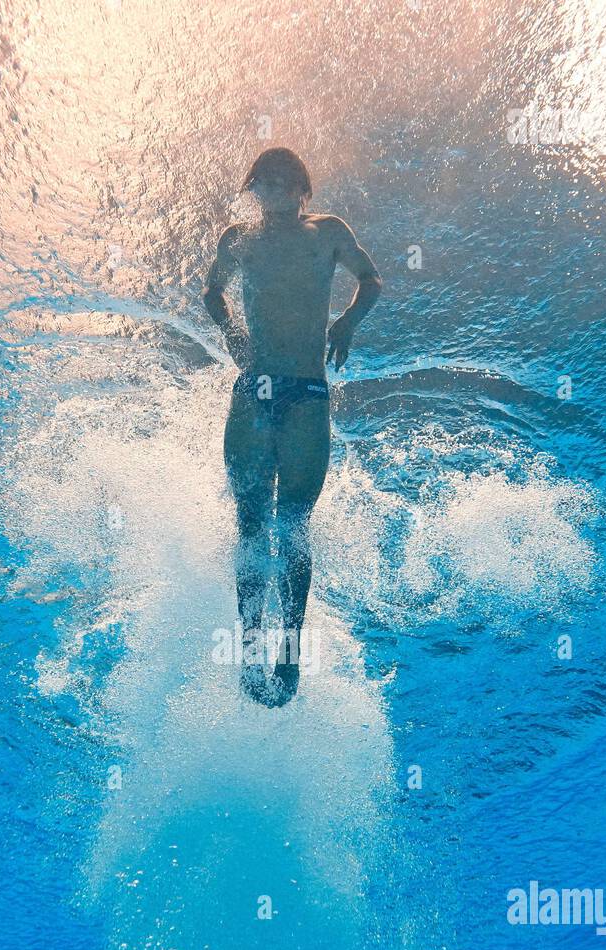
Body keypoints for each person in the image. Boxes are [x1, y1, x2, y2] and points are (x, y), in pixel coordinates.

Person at [203, 147, 382, 705]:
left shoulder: (326, 232)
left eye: (283, 181)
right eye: (262, 182)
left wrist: (347, 322)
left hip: (306, 395)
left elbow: (370, 279)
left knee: (294, 525)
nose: (273, 190)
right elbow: (211, 292)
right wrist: (232, 334)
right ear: (253, 188)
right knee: (252, 521)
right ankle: (250, 643)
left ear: (303, 187)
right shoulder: (238, 239)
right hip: (253, 395)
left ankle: (290, 647)